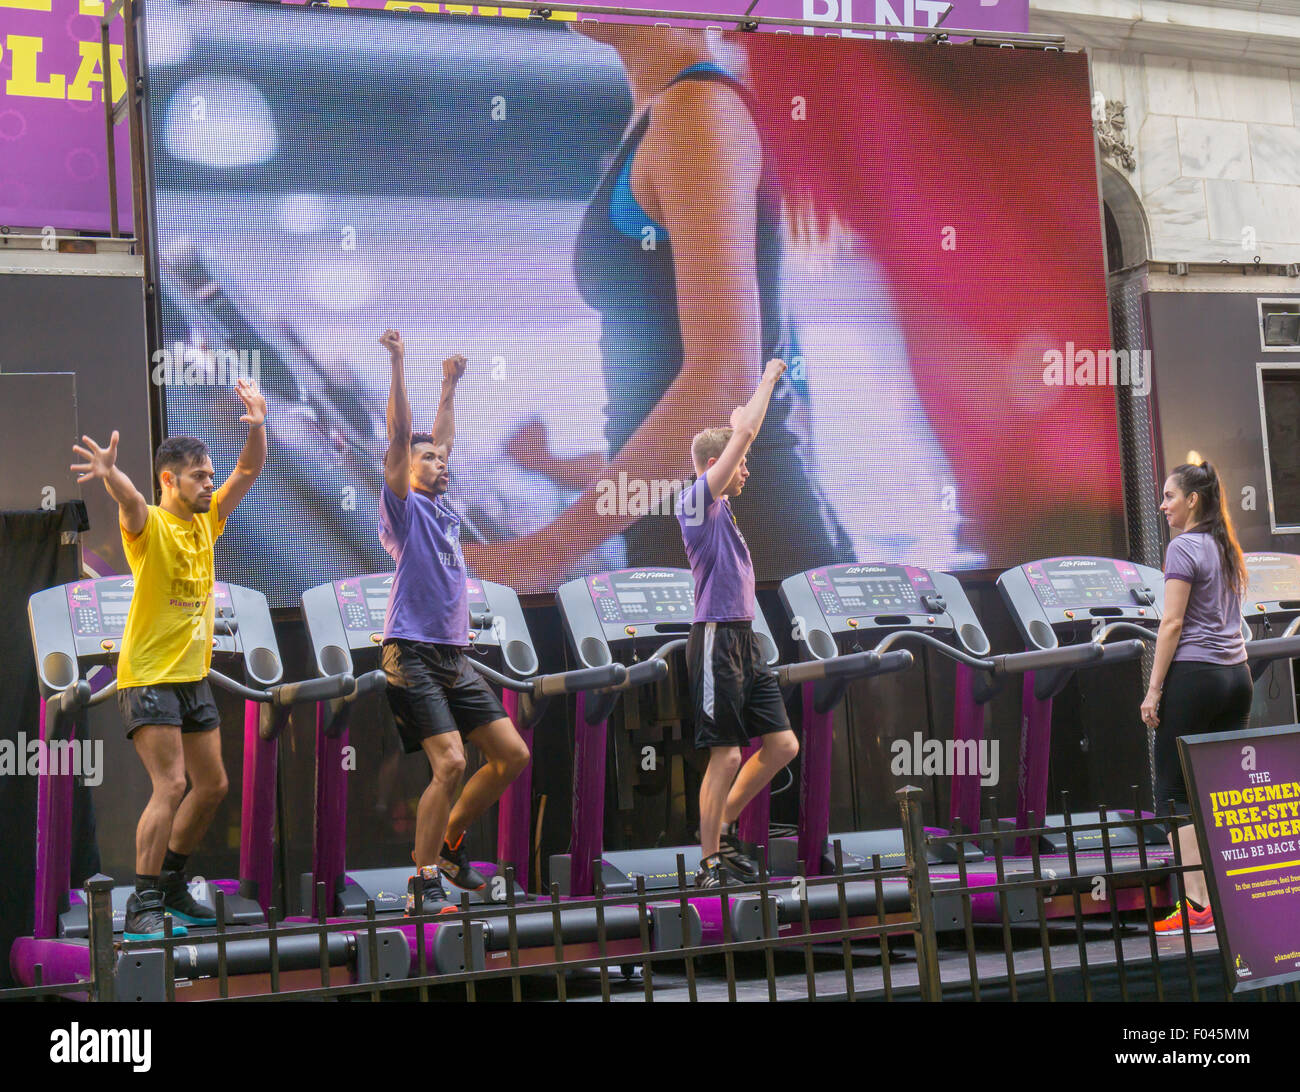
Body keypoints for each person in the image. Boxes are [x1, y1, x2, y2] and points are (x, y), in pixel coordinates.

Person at [465, 25, 853, 590]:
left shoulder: (699, 114)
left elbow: (722, 383)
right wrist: (569, 470)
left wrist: (543, 553)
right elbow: (683, 389)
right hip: (695, 531)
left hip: (750, 544)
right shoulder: (668, 109)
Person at [71, 379, 267, 941]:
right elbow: (131, 502)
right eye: (200, 476)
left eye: (210, 475)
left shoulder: (207, 520)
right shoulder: (149, 526)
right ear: (169, 479)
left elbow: (248, 473)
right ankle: (144, 900)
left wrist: (255, 424)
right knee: (171, 785)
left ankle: (173, 883)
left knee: (213, 786)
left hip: (191, 678)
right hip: (148, 675)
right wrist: (111, 474)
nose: (210, 483)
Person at [376, 329, 530, 914]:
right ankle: (422, 883)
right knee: (451, 762)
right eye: (429, 459)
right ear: (404, 469)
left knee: (511, 756)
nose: (441, 463)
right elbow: (401, 436)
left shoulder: (441, 509)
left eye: (443, 458)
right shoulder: (404, 507)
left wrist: (450, 385)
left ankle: (445, 844)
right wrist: (400, 362)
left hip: (452, 655)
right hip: (409, 651)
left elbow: (439, 435)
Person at [677, 359, 799, 888]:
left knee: (782, 746)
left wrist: (738, 420)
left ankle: (722, 823)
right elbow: (745, 433)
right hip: (715, 640)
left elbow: (741, 431)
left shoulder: (723, 510)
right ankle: (707, 864)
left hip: (745, 640)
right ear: (715, 463)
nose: (746, 469)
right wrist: (769, 378)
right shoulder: (698, 502)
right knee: (725, 755)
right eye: (739, 462)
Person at [1143, 461, 1252, 936]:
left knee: (1173, 793)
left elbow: (1171, 624)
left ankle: (1196, 906)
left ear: (1193, 500)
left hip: (1195, 678)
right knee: (1219, 789)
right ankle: (1229, 899)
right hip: (1237, 676)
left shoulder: (1184, 547)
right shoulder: (1224, 545)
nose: (1163, 505)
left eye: (1169, 496)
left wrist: (1153, 689)